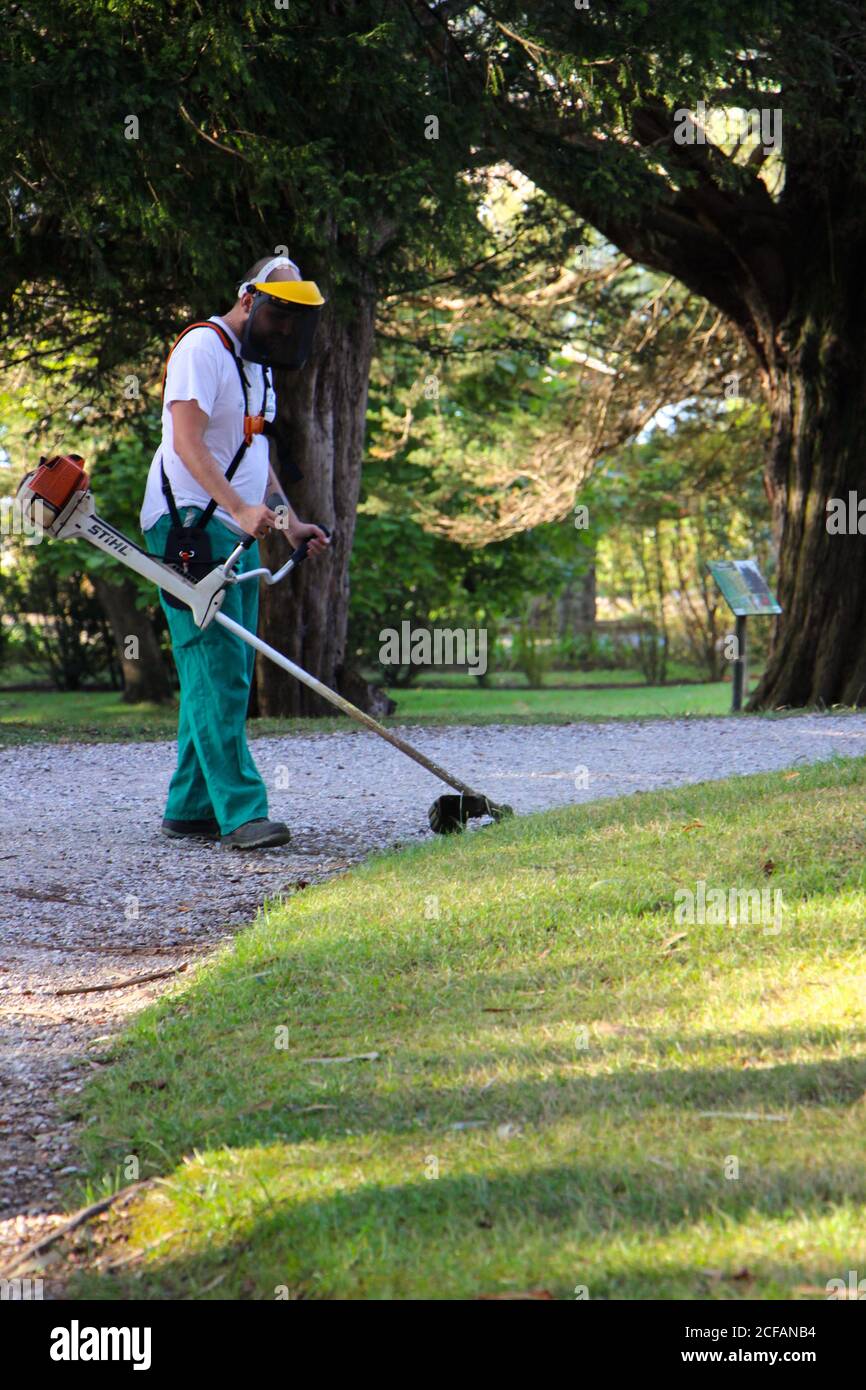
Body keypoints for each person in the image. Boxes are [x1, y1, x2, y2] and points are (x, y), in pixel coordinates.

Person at [140, 254, 329, 849]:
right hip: (189, 525)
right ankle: (243, 813)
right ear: (250, 300)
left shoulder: (258, 369)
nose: (284, 333)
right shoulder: (203, 349)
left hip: (237, 527)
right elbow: (187, 443)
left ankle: (191, 805)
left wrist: (287, 520)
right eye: (278, 317)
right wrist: (239, 510)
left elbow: (254, 454)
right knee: (216, 667)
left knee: (226, 669)